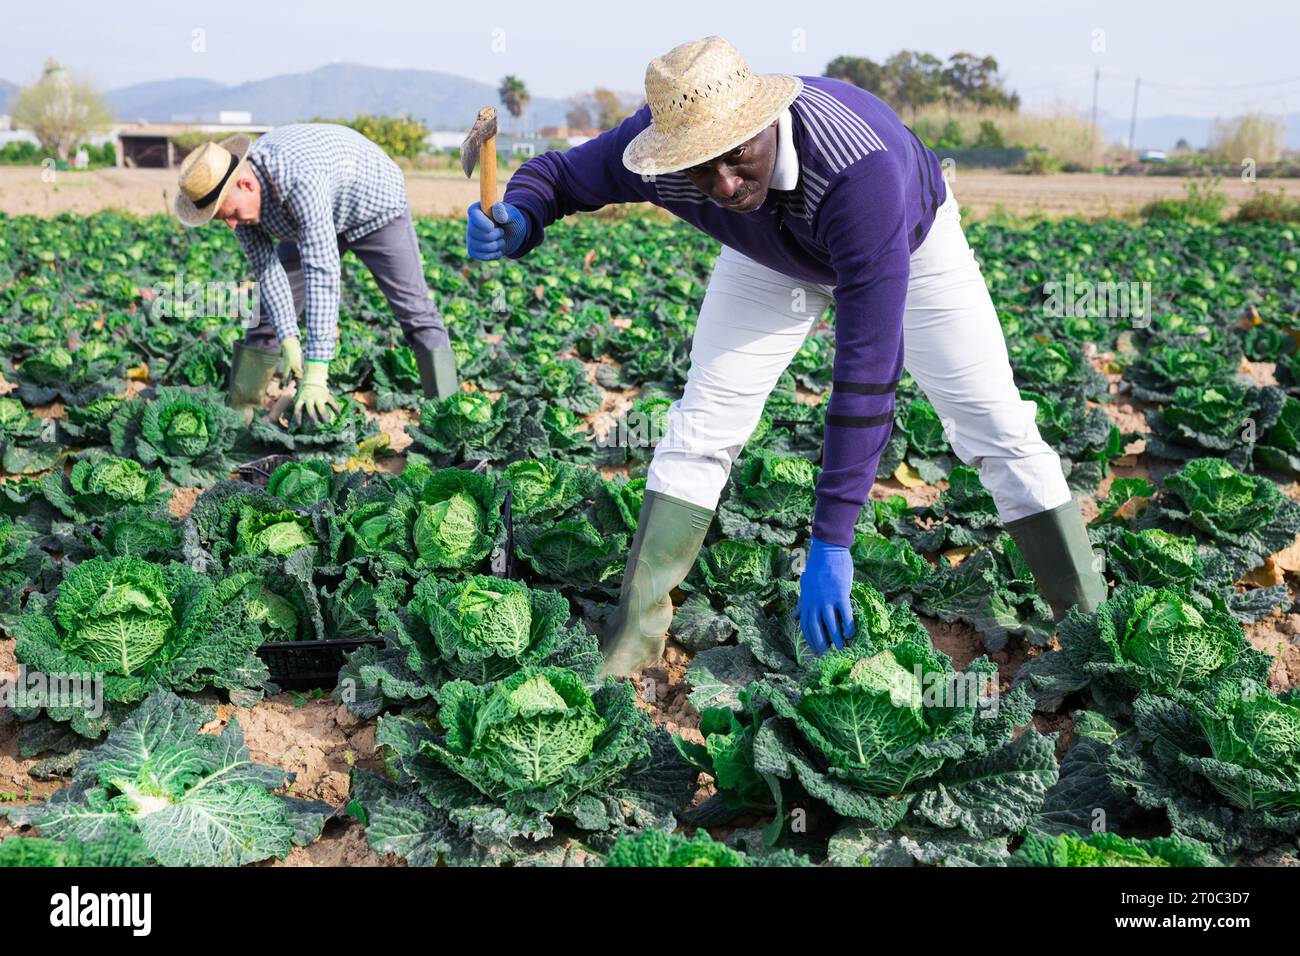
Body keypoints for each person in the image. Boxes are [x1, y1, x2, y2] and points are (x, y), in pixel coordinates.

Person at [466, 36, 1106, 677]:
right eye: (698, 166)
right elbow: (561, 176)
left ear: (765, 119)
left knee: (992, 424)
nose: (723, 182)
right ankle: (631, 640)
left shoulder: (862, 173)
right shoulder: (660, 151)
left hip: (907, 246)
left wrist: (831, 540)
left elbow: (865, 374)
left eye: (736, 154)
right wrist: (521, 216)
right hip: (768, 258)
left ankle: (1087, 629)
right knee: (704, 422)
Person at [173, 124, 458, 424]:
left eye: (229, 213)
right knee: (265, 315)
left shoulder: (299, 178)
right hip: (314, 218)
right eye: (223, 219)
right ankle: (241, 413)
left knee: (414, 311)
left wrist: (316, 373)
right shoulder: (245, 209)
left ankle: (447, 419)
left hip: (377, 211)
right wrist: (288, 338)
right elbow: (268, 273)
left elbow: (321, 273)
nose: (231, 224)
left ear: (245, 185)